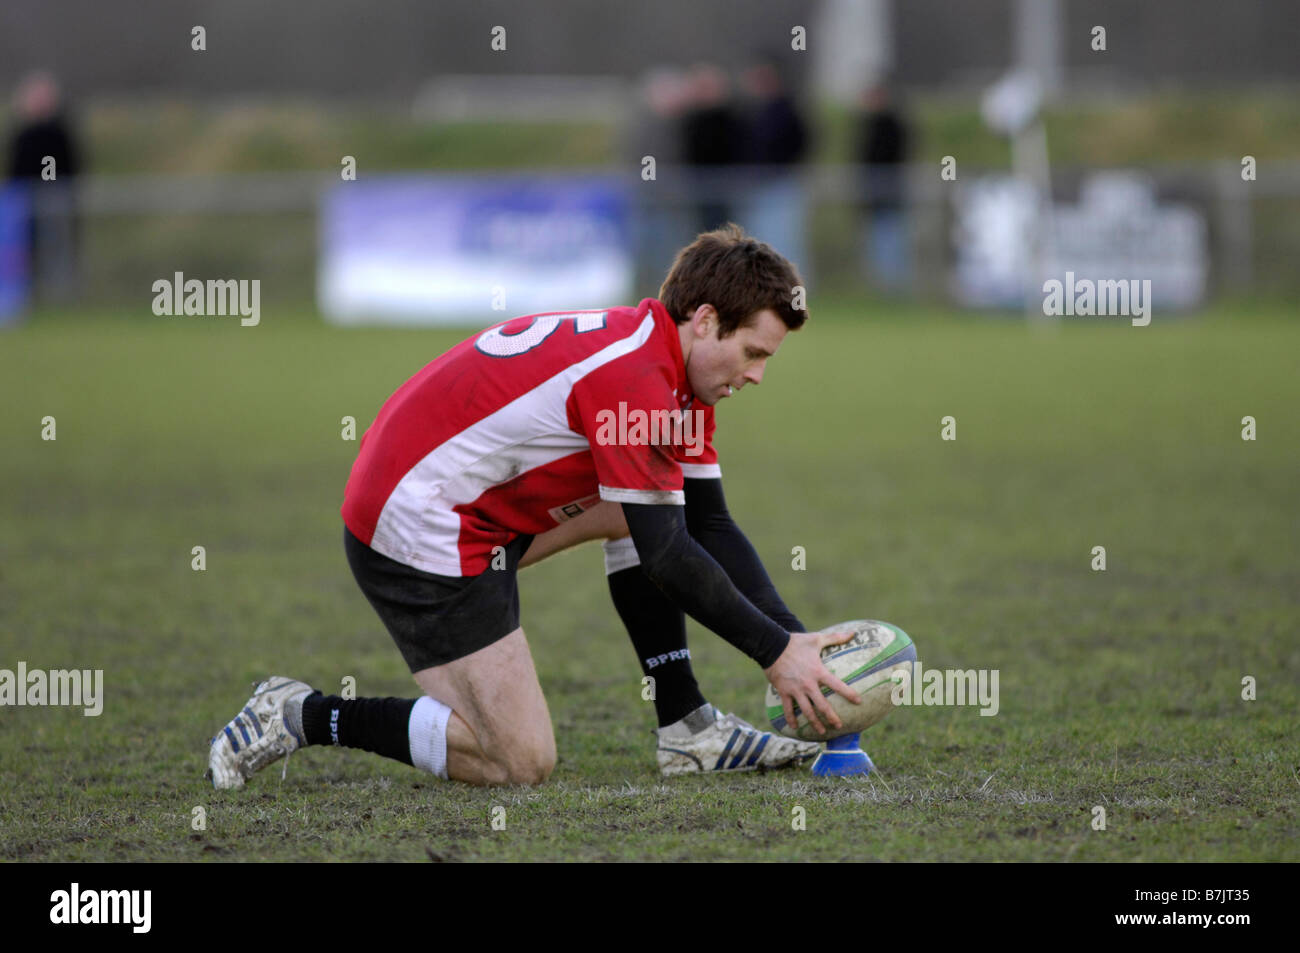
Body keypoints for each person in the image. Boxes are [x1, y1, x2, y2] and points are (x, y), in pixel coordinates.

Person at [206, 224, 860, 789]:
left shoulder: (671, 374)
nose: (756, 376)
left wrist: (792, 637)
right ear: (707, 319)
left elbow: (709, 523)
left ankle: (688, 727)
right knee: (518, 760)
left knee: (659, 507)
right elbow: (665, 554)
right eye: (753, 353)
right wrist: (776, 654)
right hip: (415, 523)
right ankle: (299, 713)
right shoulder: (635, 380)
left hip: (465, 508)